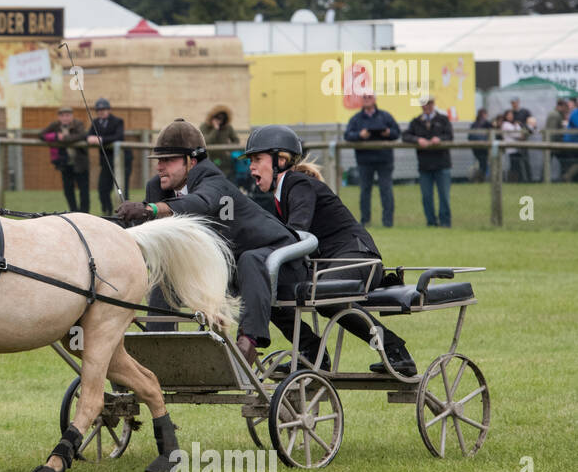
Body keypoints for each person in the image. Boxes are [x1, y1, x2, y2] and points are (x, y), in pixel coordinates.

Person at [117, 119, 306, 369]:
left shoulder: (214, 182)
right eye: (158, 161)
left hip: (279, 260)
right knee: (167, 272)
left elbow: (200, 204)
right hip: (227, 270)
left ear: (191, 162)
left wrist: (150, 209)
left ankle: (247, 343)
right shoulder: (158, 188)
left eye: (168, 160)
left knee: (249, 259)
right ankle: (158, 351)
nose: (160, 167)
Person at [245, 125, 417, 376]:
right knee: (266, 293)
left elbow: (297, 233)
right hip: (329, 265)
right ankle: (311, 351)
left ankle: (394, 349)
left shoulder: (297, 183)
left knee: (325, 297)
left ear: (280, 160)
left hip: (359, 258)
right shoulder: (282, 193)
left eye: (257, 159)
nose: (251, 167)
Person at [343, 91, 400, 227]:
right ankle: (365, 220)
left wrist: (388, 133)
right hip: (365, 161)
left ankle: (388, 222)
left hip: (384, 160)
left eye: (369, 97)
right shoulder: (356, 119)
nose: (367, 100)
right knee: (364, 191)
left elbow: (397, 132)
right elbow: (347, 135)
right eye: (365, 98)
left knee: (386, 190)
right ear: (362, 101)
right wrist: (359, 135)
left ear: (375, 99)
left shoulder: (385, 116)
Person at [402, 96, 454, 228]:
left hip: (442, 164)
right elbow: (405, 136)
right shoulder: (416, 122)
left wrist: (440, 139)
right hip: (424, 165)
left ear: (433, 104)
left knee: (444, 196)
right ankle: (431, 222)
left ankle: (445, 222)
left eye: (429, 104)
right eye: (424, 104)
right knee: (426, 197)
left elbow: (450, 135)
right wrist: (417, 140)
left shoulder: (443, 120)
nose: (426, 107)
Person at [86, 97, 132, 214]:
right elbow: (88, 135)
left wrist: (101, 139)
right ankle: (107, 211)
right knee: (103, 189)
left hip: (121, 160)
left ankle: (125, 213)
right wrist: (89, 138)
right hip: (106, 161)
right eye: (99, 110)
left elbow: (119, 136)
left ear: (109, 110)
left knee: (121, 189)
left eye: (104, 109)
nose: (101, 111)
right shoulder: (95, 123)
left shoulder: (118, 121)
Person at [40, 107, 89, 212]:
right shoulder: (55, 125)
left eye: (67, 115)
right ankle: (73, 211)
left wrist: (65, 138)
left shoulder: (78, 124)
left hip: (80, 162)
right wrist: (56, 136)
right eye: (62, 116)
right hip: (65, 163)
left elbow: (82, 135)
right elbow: (41, 134)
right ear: (59, 117)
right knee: (68, 190)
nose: (65, 118)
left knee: (84, 190)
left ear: (72, 116)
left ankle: (84, 213)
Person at [200, 110, 239, 180]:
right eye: (218, 118)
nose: (220, 121)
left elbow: (236, 141)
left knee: (226, 179)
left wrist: (229, 150)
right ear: (212, 117)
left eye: (222, 118)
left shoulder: (227, 127)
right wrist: (215, 129)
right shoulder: (204, 127)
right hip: (210, 159)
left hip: (225, 161)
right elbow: (206, 141)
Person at [499, 109, 531, 183]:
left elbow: (520, 133)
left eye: (511, 115)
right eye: (509, 115)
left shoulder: (513, 124)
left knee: (517, 166)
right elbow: (517, 134)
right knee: (514, 166)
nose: (511, 116)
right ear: (506, 116)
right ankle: (513, 181)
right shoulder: (506, 124)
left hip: (516, 148)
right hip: (511, 148)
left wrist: (518, 129)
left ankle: (518, 180)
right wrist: (520, 133)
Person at [467, 108, 492, 182]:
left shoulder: (477, 124)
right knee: (483, 163)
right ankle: (481, 178)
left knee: (483, 163)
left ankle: (482, 178)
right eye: (484, 114)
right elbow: (470, 136)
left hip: (481, 148)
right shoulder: (479, 124)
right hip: (480, 148)